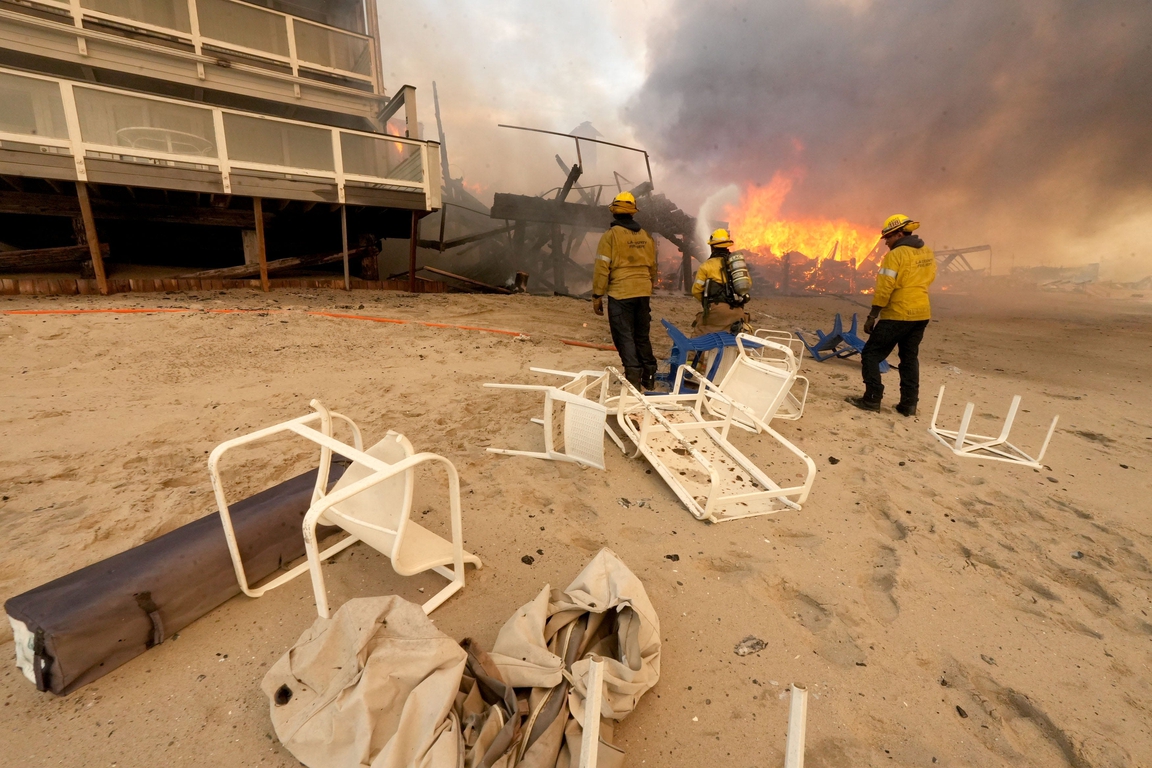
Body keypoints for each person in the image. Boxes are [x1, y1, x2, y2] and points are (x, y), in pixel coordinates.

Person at [846, 214, 937, 415]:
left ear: (898, 233)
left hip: (897, 313)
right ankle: (909, 405)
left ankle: (871, 399)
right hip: (922, 313)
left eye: (888, 237)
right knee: (909, 358)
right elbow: (930, 277)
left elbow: (885, 287)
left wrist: (873, 314)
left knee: (871, 354)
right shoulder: (927, 252)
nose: (886, 242)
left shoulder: (895, 255)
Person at [592, 191, 658, 389]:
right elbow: (653, 268)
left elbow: (602, 269)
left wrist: (597, 295)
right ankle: (649, 377)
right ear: (632, 212)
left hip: (621, 293)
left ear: (614, 212)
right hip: (643, 292)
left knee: (625, 336)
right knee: (642, 335)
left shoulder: (610, 236)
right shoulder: (646, 237)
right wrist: (647, 286)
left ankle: (633, 379)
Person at [691, 228, 752, 335]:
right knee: (735, 340)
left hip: (716, 310)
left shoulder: (706, 266)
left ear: (712, 247)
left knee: (698, 334)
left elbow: (696, 291)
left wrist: (708, 304)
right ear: (727, 246)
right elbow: (748, 283)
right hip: (738, 311)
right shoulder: (736, 264)